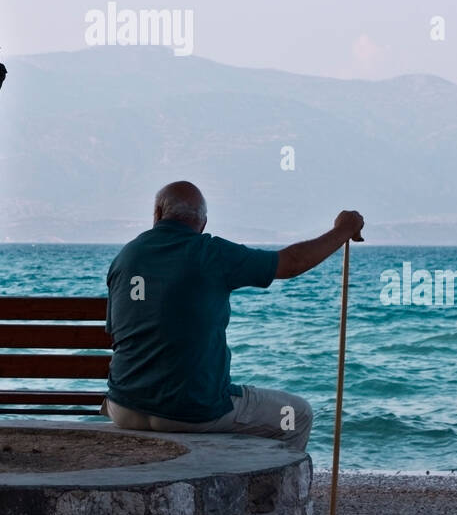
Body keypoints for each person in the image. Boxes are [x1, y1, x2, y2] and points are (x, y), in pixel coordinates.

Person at [102, 180, 364, 448]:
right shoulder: (211, 253)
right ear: (202, 224)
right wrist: (343, 230)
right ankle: (269, 490)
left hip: (123, 407)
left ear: (157, 213)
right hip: (191, 412)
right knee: (297, 416)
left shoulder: (125, 257)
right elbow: (292, 264)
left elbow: (118, 334)